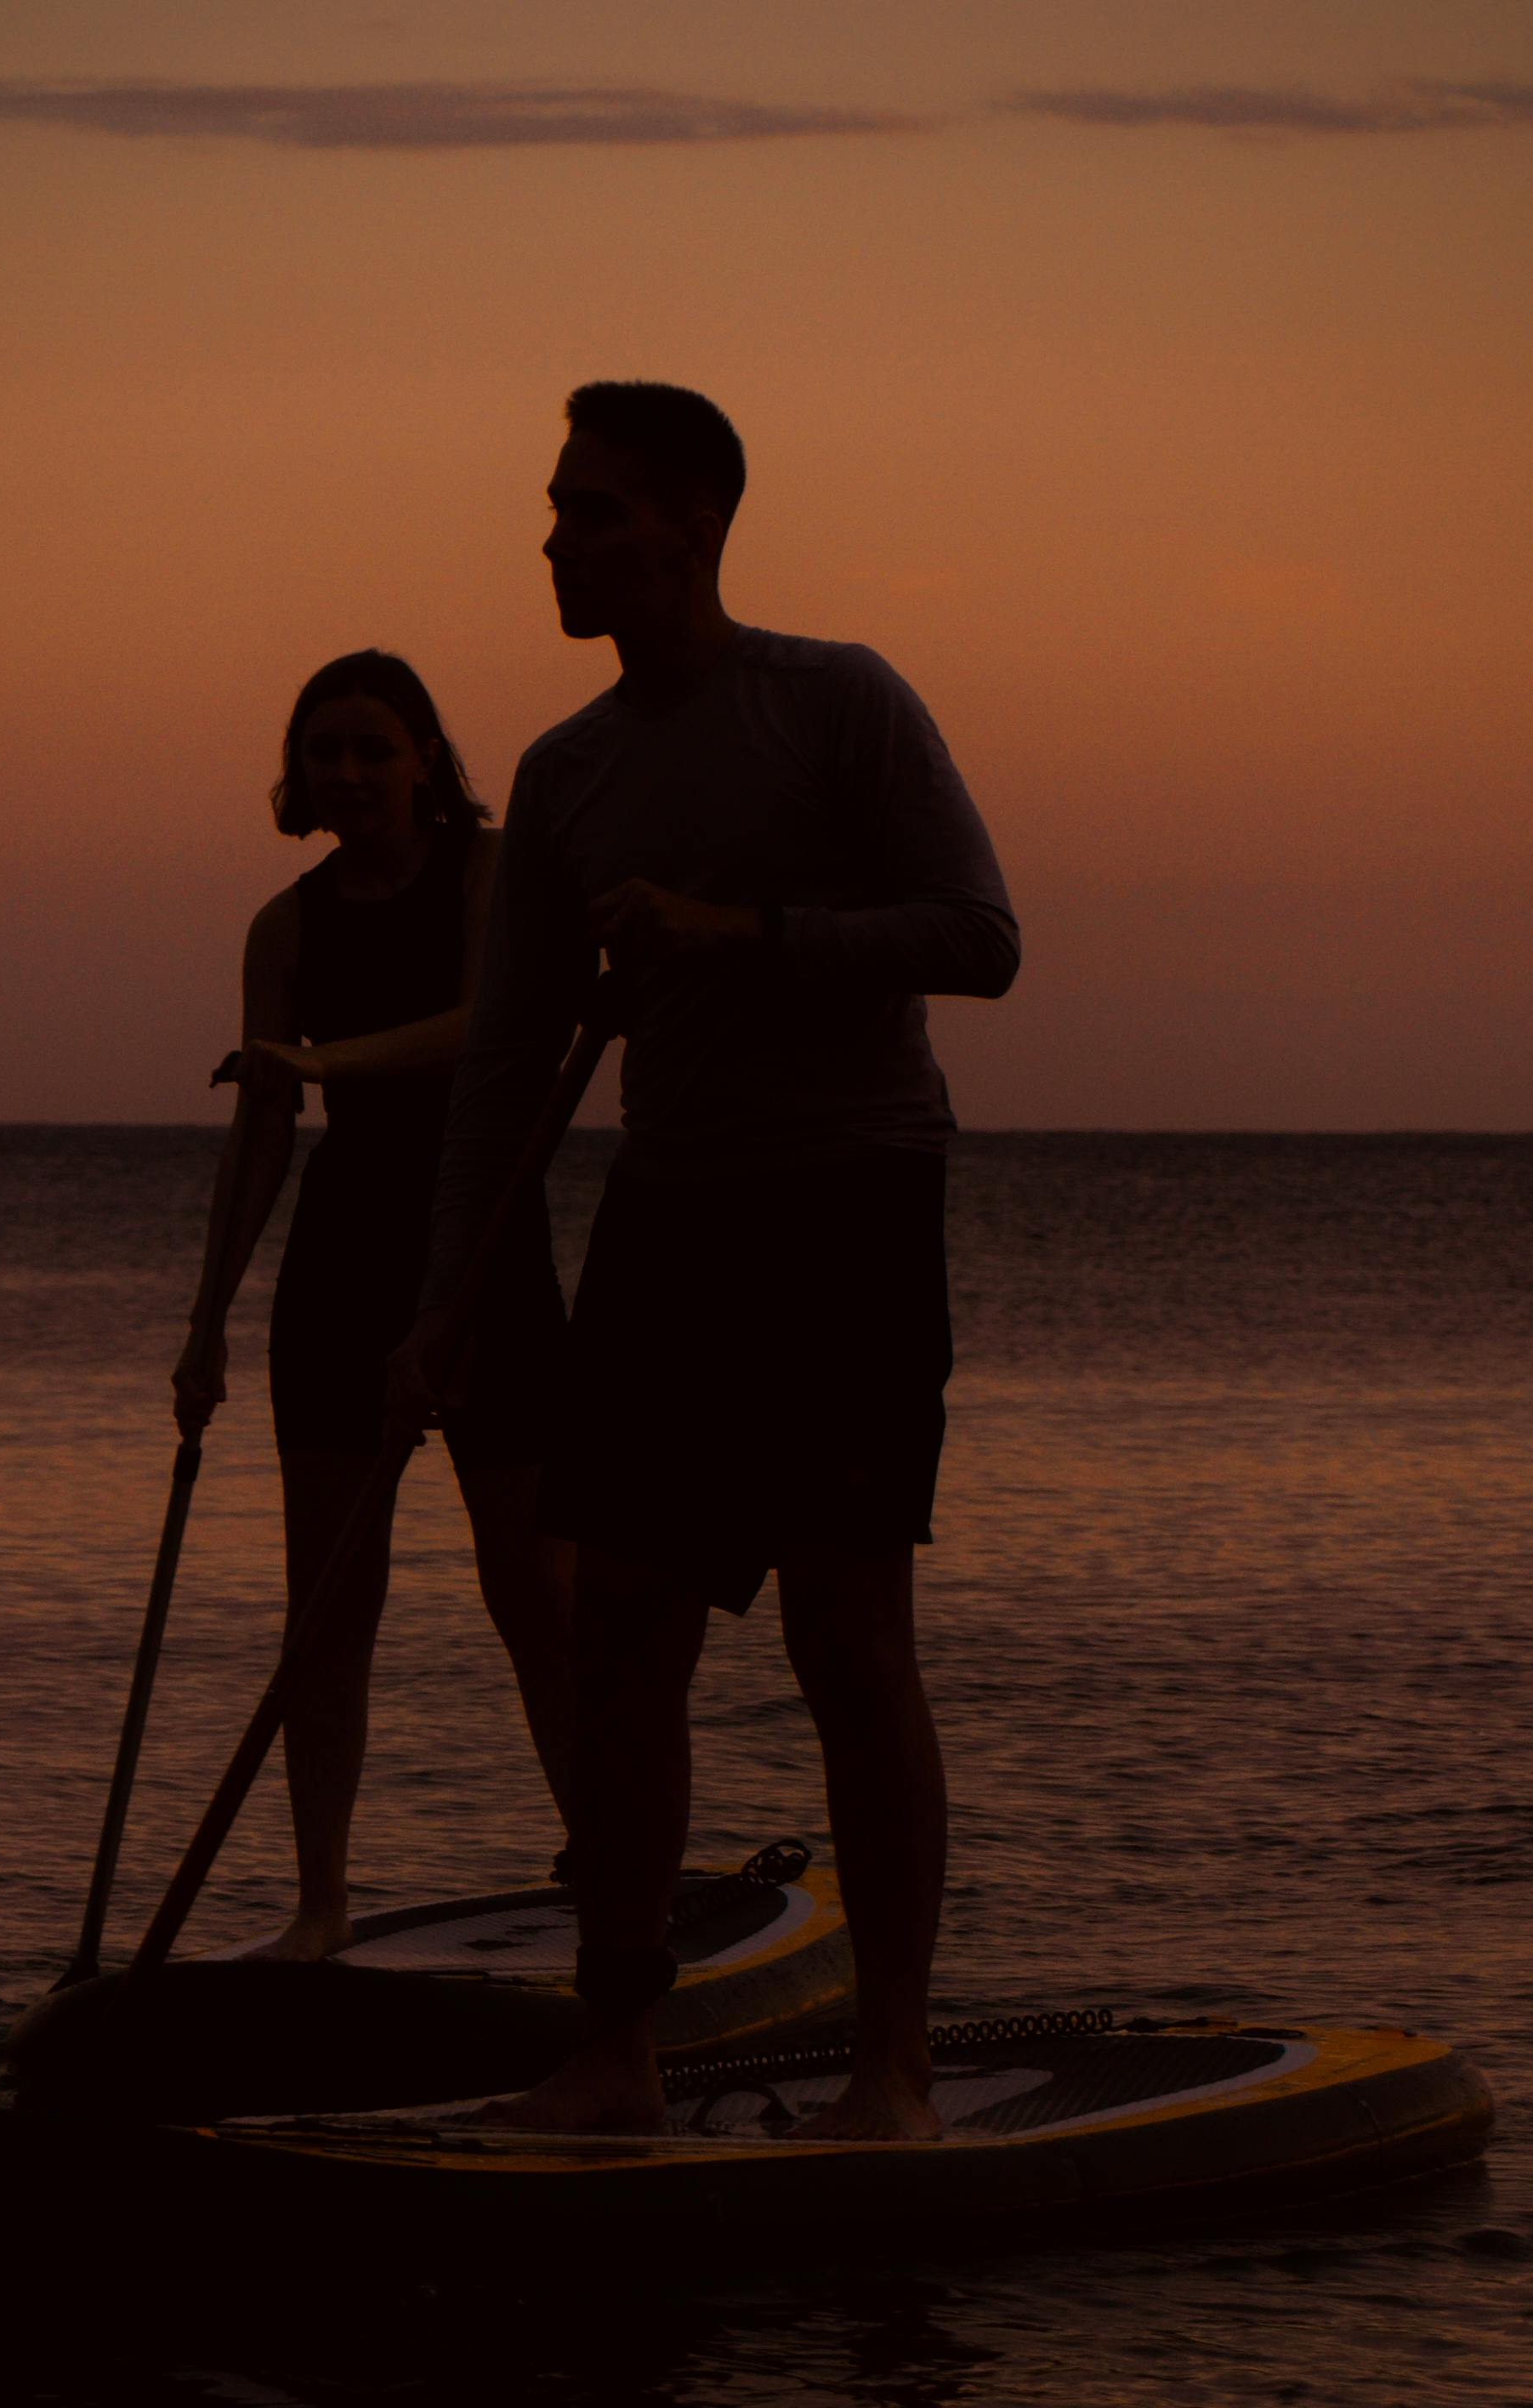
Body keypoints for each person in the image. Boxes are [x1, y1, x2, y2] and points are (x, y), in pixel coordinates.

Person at [389, 385, 1019, 2138]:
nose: (555, 539)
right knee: (621, 1640)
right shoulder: (563, 773)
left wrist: (739, 934)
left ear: (692, 524)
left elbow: (981, 936)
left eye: (590, 510)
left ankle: (890, 2064)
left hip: (848, 1203)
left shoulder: (836, 701)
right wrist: (445, 1300)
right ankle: (618, 2047)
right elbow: (507, 1067)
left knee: (846, 1635)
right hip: (667, 1217)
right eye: (557, 506)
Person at [173, 650, 572, 1957]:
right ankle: (320, 1905)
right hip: (342, 1263)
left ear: (422, 761)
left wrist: (329, 1056)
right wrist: (204, 1325)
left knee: (535, 1591)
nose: (346, 773)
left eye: (371, 749)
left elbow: (491, 1025)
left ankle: (608, 1863)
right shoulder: (284, 927)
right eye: (323, 751)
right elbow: (266, 1133)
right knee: (327, 1610)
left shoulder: (486, 872)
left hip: (480, 1253)